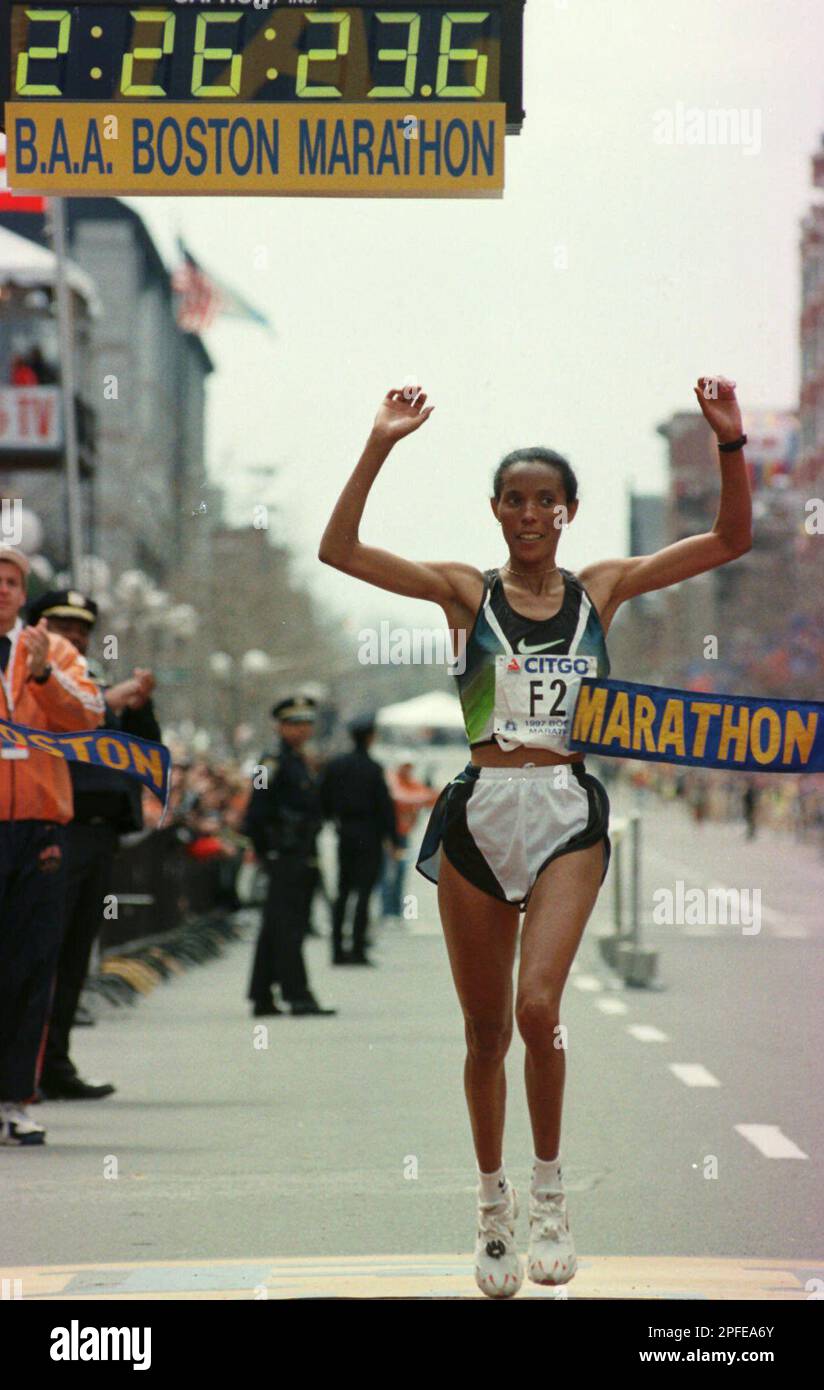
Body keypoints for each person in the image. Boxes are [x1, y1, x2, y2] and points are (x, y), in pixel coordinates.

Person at [319, 377, 752, 1298]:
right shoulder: (462, 593)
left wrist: (729, 444)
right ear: (495, 510)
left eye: (544, 500)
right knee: (483, 1033)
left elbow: (729, 541)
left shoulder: (604, 589)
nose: (528, 513)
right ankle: (491, 1209)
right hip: (480, 815)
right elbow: (340, 549)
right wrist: (379, 443)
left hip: (565, 813)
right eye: (513, 500)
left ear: (569, 510)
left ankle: (552, 1196)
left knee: (537, 1012)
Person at [25, 588, 161, 1101]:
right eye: (62, 625)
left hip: (99, 831)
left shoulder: (93, 683)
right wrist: (110, 703)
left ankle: (54, 1063)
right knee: (42, 949)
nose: (75, 636)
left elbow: (145, 749)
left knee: (75, 953)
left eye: (82, 629)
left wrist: (138, 708)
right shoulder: (31, 678)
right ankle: (28, 1068)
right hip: (57, 826)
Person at [0, 549, 106, 1146]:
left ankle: (16, 1097)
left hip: (39, 826)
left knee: (31, 963)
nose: (3, 590)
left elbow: (89, 715)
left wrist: (43, 675)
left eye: (12, 582)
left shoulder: (53, 651)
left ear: (24, 592)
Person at [243, 696, 336, 1017]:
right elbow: (256, 810)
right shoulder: (271, 762)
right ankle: (298, 995)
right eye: (295, 724)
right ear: (280, 726)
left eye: (306, 723)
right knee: (289, 927)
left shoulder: (297, 760)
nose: (302, 730)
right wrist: (266, 850)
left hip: (300, 851)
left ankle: (262, 995)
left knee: (276, 926)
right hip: (284, 852)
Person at [320, 715, 402, 966]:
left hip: (345, 831)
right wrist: (394, 839)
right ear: (370, 737)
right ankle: (357, 946)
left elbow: (322, 798)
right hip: (370, 833)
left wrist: (331, 821)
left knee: (343, 891)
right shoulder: (373, 768)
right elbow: (384, 806)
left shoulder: (335, 765)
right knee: (365, 891)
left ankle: (336, 948)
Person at [381, 753, 439, 921]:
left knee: (399, 872)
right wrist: (427, 794)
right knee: (386, 872)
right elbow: (402, 796)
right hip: (388, 835)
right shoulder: (391, 781)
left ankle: (396, 910)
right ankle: (386, 910)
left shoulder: (413, 785)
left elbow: (432, 799)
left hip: (403, 835)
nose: (407, 770)